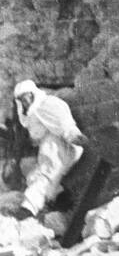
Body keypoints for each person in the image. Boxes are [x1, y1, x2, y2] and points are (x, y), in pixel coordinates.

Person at [9, 80, 87, 220]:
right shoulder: (31, 112)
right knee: (38, 175)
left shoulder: (48, 104)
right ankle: (62, 200)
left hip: (59, 145)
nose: (25, 100)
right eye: (21, 99)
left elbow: (64, 123)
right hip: (48, 146)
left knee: (44, 174)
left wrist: (74, 136)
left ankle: (28, 208)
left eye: (27, 96)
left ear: (33, 94)